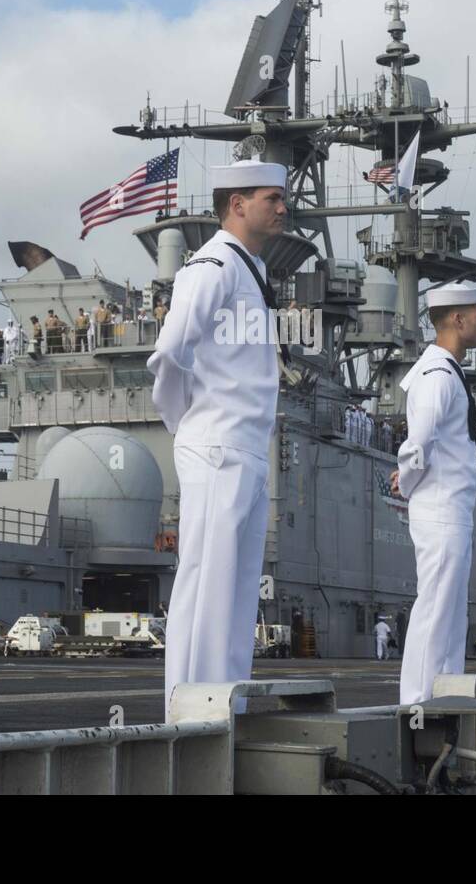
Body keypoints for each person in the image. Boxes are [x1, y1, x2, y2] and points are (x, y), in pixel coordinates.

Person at [147, 159, 288, 718]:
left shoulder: (249, 267)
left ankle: (226, 711)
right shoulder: (210, 266)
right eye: (271, 197)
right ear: (237, 204)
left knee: (234, 598)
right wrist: (189, 423)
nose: (282, 207)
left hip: (247, 449)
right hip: (217, 444)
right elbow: (171, 352)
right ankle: (188, 719)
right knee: (206, 588)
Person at [392, 282, 476, 703]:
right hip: (440, 506)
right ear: (457, 319)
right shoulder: (436, 375)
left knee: (450, 611)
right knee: (435, 608)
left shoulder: (448, 372)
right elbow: (420, 442)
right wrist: (407, 481)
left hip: (452, 507)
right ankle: (418, 704)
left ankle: (444, 698)